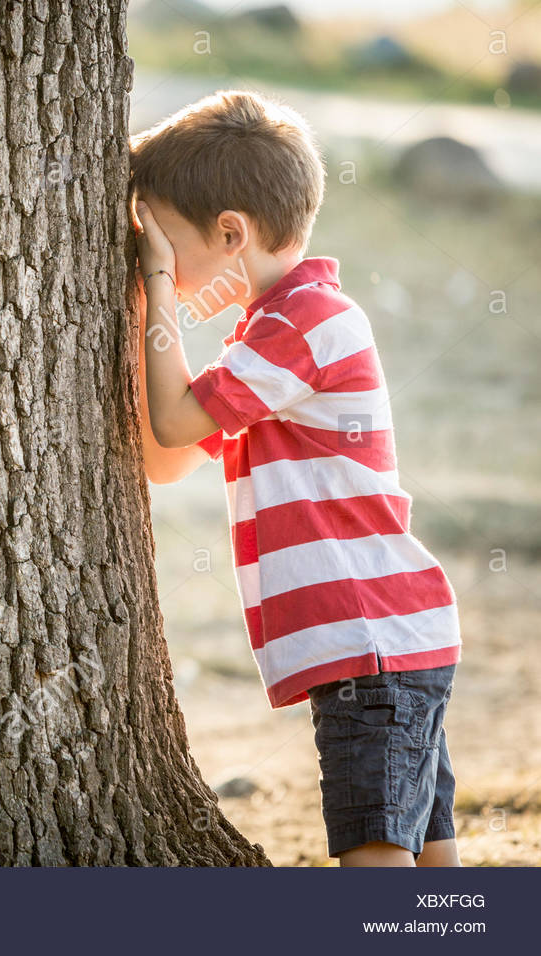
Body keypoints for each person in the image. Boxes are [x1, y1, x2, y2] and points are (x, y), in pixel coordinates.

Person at [130, 91, 462, 867]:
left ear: (230, 232)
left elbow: (177, 424)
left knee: (377, 863)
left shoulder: (300, 324)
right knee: (429, 858)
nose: (162, 265)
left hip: (369, 645)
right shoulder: (272, 333)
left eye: (165, 245)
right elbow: (165, 455)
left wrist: (156, 295)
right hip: (384, 641)